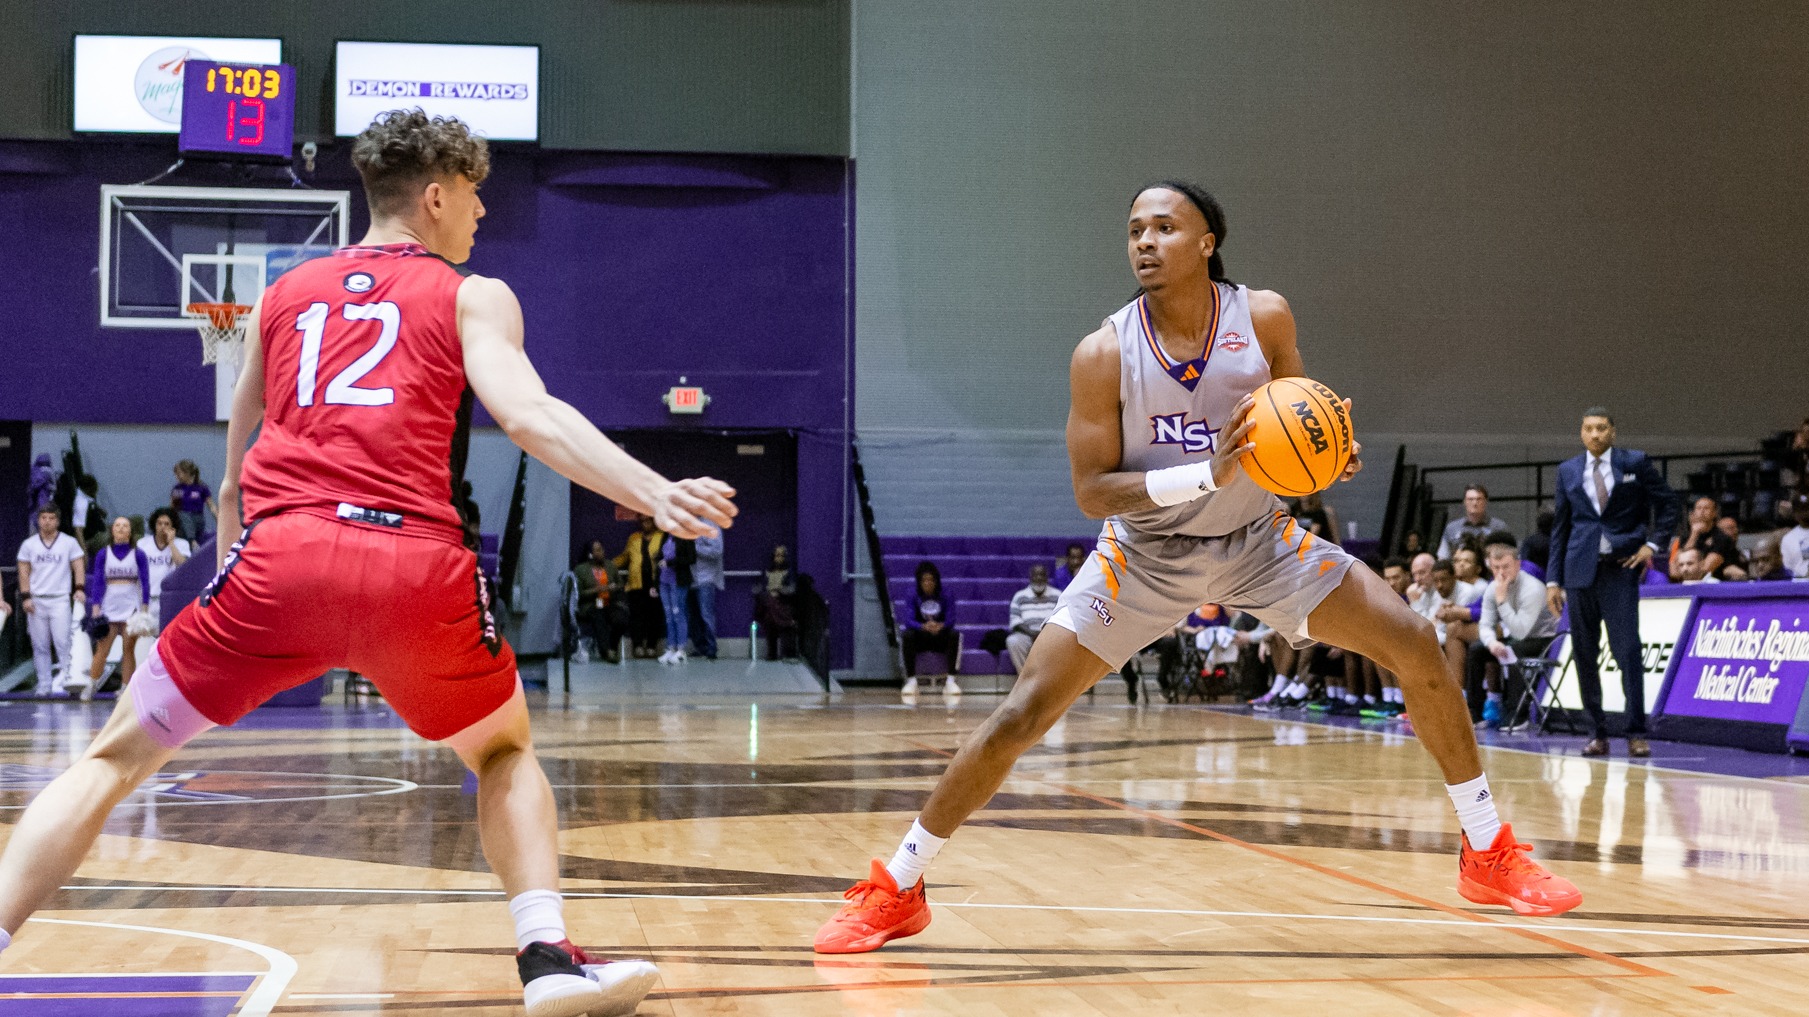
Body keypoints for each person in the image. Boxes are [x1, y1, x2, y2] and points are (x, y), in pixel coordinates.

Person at [0, 110, 738, 1017]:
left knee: (112, 756)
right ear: (434, 196)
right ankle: (545, 957)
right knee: (502, 748)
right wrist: (652, 489)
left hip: (279, 559)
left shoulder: (282, 295)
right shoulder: (473, 295)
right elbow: (528, 414)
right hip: (412, 566)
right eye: (472, 194)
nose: (480, 214)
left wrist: (243, 592)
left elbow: (231, 479)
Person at [814, 181, 1578, 957]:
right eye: (1134, 230)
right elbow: (1091, 491)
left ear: (1206, 241)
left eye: (1163, 227)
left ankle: (1486, 851)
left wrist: (1329, 456)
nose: (1144, 242)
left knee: (1414, 642)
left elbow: (1298, 435)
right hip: (1143, 556)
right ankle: (897, 887)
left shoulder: (1265, 317)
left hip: (1258, 541)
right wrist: (1203, 473)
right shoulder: (1103, 353)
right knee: (1021, 714)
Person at [1546, 407, 1677, 759]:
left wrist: (1653, 546)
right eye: (1589, 428)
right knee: (1584, 654)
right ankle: (1596, 733)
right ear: (1581, 433)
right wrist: (1553, 579)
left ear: (1613, 432)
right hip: (1578, 571)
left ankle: (1636, 732)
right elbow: (1560, 527)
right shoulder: (1568, 470)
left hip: (1620, 569)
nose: (1595, 434)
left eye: (1602, 428)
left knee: (1628, 652)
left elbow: (1669, 504)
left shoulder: (1635, 462)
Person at [1466, 536, 1557, 729]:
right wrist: (1491, 643)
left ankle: (1517, 714)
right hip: (1516, 637)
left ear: (1517, 564)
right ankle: (1474, 713)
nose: (1501, 573)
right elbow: (1485, 624)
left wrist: (1501, 600)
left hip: (1544, 638)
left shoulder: (1533, 588)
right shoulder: (1493, 587)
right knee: (1476, 650)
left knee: (1515, 649)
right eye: (1496, 568)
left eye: (1506, 567)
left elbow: (1520, 631)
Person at [14, 505, 85, 697]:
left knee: (63, 642)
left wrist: (79, 588)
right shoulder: (29, 544)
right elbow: (23, 571)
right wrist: (26, 597)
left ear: (58, 521)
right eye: (43, 517)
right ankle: (44, 684)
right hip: (37, 600)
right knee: (40, 645)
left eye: (51, 518)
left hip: (60, 599)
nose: (47, 521)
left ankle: (67, 682)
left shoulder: (69, 542)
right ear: (38, 520)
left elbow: (78, 566)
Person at [83, 516, 152, 698]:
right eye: (117, 525)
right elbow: (98, 581)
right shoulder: (103, 554)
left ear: (130, 531)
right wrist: (96, 606)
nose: (121, 528)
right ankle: (91, 684)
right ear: (112, 530)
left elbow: (145, 582)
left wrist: (144, 607)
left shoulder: (138, 554)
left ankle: (125, 688)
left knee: (128, 649)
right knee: (103, 650)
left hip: (131, 607)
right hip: (110, 606)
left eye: (125, 526)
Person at [900, 560, 959, 696]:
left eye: (931, 580)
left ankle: (951, 681)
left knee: (954, 634)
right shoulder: (912, 594)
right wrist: (923, 626)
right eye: (924, 580)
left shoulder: (947, 593)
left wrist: (941, 625)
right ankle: (911, 681)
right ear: (919, 582)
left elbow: (951, 619)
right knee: (907, 635)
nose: (928, 583)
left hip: (940, 635)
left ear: (936, 581)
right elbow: (908, 620)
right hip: (921, 636)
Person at [616, 516, 666, 658]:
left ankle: (651, 646)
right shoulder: (634, 538)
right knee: (636, 616)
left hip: (654, 582)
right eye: (643, 521)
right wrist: (609, 565)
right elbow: (625, 557)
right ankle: (637, 645)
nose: (646, 524)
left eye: (648, 521)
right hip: (636, 582)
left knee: (654, 616)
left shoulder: (661, 536)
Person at [136, 508, 192, 634]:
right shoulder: (142, 544)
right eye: (159, 523)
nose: (162, 527)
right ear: (154, 525)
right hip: (147, 600)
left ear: (173, 527)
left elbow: (183, 566)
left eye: (167, 524)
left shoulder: (181, 544)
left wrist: (171, 543)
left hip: (169, 600)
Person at [573, 540, 626, 664]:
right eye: (597, 550)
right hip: (590, 605)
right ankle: (606, 651)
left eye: (601, 549)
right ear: (590, 554)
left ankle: (611, 648)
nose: (601, 552)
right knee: (598, 616)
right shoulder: (581, 569)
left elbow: (620, 584)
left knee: (621, 619)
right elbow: (578, 594)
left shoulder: (610, 566)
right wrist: (596, 590)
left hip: (609, 602)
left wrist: (614, 587)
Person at [1669, 496, 1742, 582]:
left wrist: (1684, 571)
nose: (1702, 511)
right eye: (1698, 508)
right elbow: (1674, 572)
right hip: (1687, 584)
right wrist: (1694, 534)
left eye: (1706, 508)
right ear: (1693, 512)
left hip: (1715, 584)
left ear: (1714, 513)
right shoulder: (1685, 537)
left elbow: (1705, 570)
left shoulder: (1722, 538)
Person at [1005, 564, 1060, 673]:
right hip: (1027, 635)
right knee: (1013, 641)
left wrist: (1044, 634)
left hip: (1050, 635)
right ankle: (1025, 676)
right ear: (1030, 577)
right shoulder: (1019, 596)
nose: (1039, 578)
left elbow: (1062, 620)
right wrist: (1032, 633)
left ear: (1046, 577)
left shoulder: (1058, 596)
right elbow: (1015, 622)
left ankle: (1052, 678)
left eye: (1042, 575)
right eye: (1036, 575)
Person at [1436, 485, 1509, 559]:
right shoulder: (1451, 528)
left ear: (1485, 502)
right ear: (1464, 502)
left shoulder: (1499, 527)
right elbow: (1443, 557)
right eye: (1470, 499)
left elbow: (1507, 555)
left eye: (1479, 499)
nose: (1475, 503)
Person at [754, 545, 798, 660]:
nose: (779, 558)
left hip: (783, 602)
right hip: (769, 602)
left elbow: (792, 589)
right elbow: (758, 589)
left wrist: (779, 591)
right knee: (770, 610)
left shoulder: (788, 573)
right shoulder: (767, 572)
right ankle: (786, 621)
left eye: (782, 556)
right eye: (777, 555)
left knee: (771, 611)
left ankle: (779, 653)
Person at [687, 524, 724, 660]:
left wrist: (695, 547)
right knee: (694, 616)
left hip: (706, 578)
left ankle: (711, 648)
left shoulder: (711, 527)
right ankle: (700, 647)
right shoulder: (688, 525)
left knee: (706, 614)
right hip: (691, 578)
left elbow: (717, 551)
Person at [658, 534, 695, 665]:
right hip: (664, 581)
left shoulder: (686, 536)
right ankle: (671, 648)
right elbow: (660, 556)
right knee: (669, 616)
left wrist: (670, 562)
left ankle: (681, 650)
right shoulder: (666, 536)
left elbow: (691, 558)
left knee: (678, 614)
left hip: (678, 581)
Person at [170, 460, 217, 543]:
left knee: (185, 516)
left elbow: (211, 506)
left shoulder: (201, 488)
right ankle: (192, 540)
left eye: (179, 474)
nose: (177, 476)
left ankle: (192, 540)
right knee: (182, 514)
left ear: (187, 473)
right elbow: (172, 508)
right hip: (182, 524)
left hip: (197, 519)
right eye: (176, 474)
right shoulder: (178, 489)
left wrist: (219, 520)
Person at [1781, 492, 1809, 579]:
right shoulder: (1788, 538)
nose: (1805, 513)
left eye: (1807, 508)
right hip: (1799, 583)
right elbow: (1787, 569)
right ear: (1794, 513)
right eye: (1800, 510)